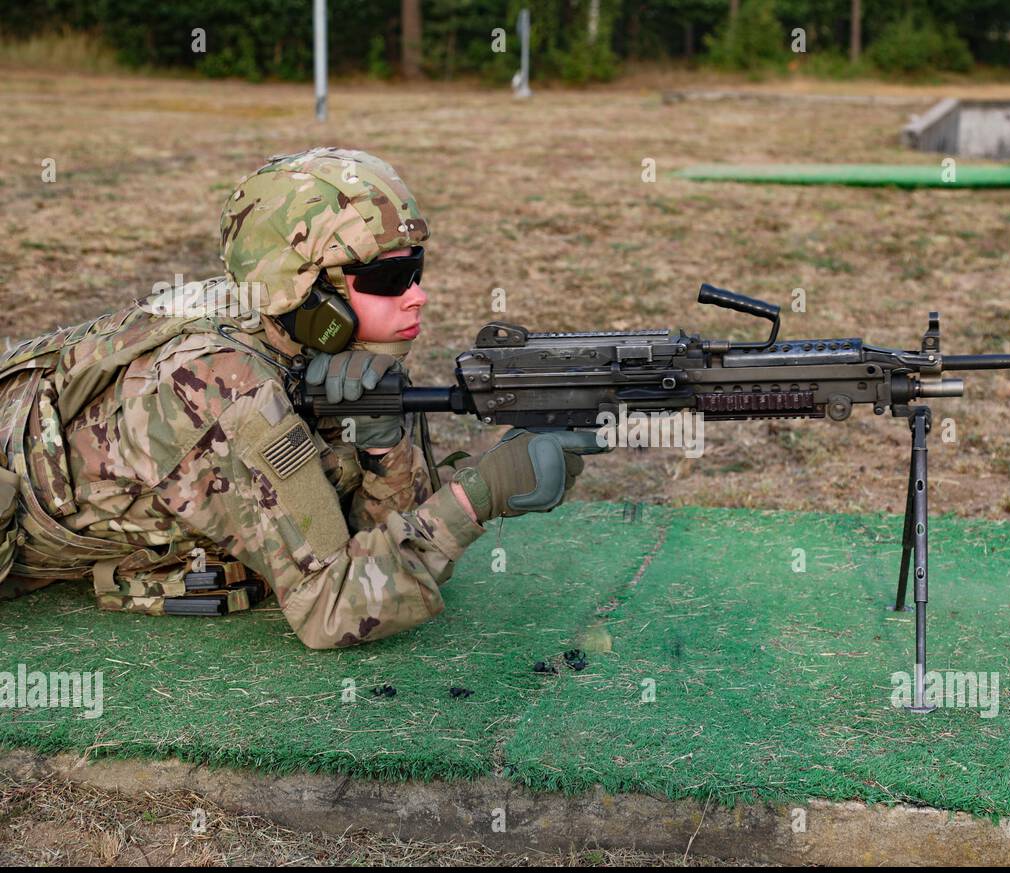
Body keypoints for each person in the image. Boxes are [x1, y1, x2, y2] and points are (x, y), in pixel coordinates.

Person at [0, 146, 593, 649]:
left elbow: (375, 540)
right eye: (388, 279)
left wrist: (382, 447)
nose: (417, 296)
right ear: (307, 290)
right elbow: (334, 609)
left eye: (416, 269)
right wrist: (475, 499)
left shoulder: (289, 327)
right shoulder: (222, 384)